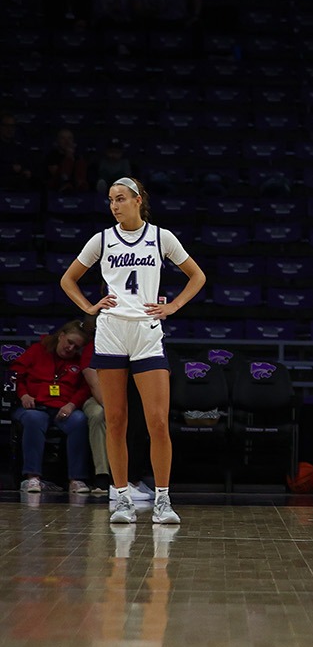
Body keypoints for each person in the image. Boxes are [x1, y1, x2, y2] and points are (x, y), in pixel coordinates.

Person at [59, 177, 207, 526]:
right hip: (111, 333)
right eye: (110, 199)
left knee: (157, 421)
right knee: (115, 420)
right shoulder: (103, 239)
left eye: (121, 198)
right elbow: (68, 279)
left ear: (138, 200)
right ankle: (122, 497)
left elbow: (197, 276)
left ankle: (162, 500)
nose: (114, 205)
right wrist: (90, 306)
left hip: (146, 332)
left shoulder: (161, 237)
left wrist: (173, 307)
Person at [10, 320, 94, 495]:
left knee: (79, 420)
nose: (71, 348)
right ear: (61, 336)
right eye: (69, 342)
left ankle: (76, 479)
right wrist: (23, 394)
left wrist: (72, 405)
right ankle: (32, 477)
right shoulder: (37, 351)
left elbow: (85, 388)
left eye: (76, 347)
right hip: (34, 406)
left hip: (63, 407)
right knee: (34, 419)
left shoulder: (79, 362)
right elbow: (16, 374)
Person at [45, 128, 89, 194]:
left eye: (69, 138)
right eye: (63, 138)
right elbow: (54, 174)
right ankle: (66, 184)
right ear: (58, 141)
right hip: (57, 184)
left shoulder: (78, 156)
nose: (67, 141)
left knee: (80, 162)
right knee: (68, 161)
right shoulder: (52, 155)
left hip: (75, 183)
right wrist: (68, 157)